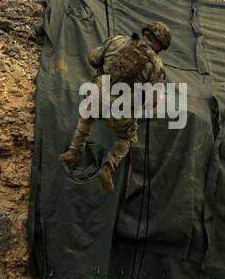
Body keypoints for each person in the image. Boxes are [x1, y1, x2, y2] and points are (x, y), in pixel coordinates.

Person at [60, 21, 172, 193]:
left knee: (87, 117)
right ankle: (108, 167)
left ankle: (74, 150)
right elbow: (153, 100)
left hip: (98, 96)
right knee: (127, 139)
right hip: (122, 107)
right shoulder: (156, 65)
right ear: (158, 43)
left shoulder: (117, 40)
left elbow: (93, 59)